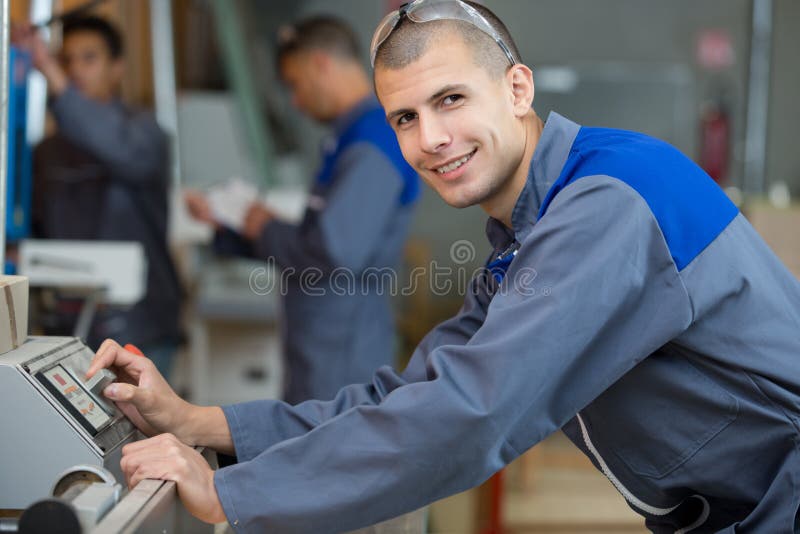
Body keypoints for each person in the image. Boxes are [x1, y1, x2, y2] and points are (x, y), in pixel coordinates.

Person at [89, 1, 800, 532]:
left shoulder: (605, 204)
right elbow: (417, 392)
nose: (431, 139)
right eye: (404, 117)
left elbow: (471, 413)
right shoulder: (530, 233)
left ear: (518, 89)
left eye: (451, 99)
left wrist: (228, 496)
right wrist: (198, 421)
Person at [184, 16, 420, 404]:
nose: (295, 101)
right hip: (323, 342)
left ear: (321, 64)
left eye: (295, 84)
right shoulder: (349, 137)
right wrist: (235, 227)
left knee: (332, 454)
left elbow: (335, 249)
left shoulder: (374, 138)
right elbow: (315, 240)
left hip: (341, 350)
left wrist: (263, 226)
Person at [15, 16, 182, 377]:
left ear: (117, 68)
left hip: (141, 328)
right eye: (66, 60)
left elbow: (119, 150)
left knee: (144, 432)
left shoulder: (145, 134)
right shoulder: (46, 153)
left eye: (88, 58)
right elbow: (34, 227)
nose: (75, 70)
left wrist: (48, 69)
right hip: (69, 331)